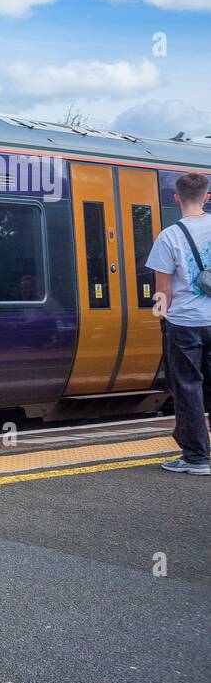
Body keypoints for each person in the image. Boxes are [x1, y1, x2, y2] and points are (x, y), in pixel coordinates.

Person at [146, 171, 211, 475]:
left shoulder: (169, 236)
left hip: (184, 323)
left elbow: (163, 290)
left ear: (176, 199)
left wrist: (161, 318)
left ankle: (196, 457)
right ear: (206, 197)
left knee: (188, 388)